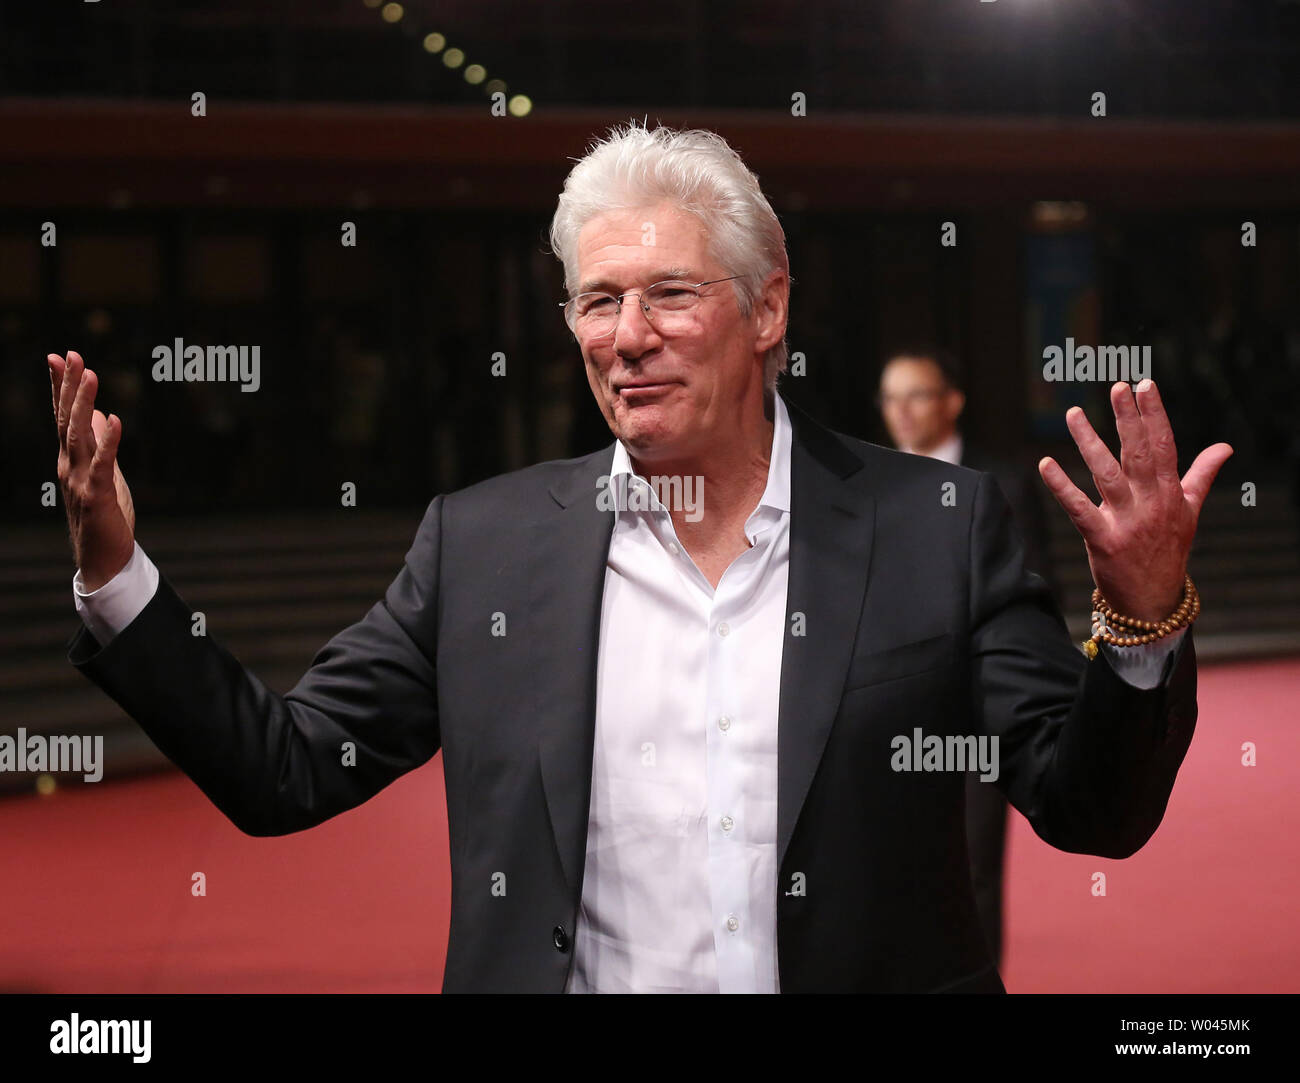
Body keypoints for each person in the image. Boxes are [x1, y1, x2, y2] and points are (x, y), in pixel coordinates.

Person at [50, 121, 1230, 994]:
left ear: (768, 310)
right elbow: (286, 772)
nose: (626, 338)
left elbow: (1091, 815)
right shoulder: (483, 548)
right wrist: (118, 575)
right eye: (596, 301)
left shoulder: (936, 526)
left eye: (669, 294)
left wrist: (1139, 620)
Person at [876, 347, 1057, 969]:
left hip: (974, 709)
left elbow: (1034, 588)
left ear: (952, 402)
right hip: (882, 708)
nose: (901, 411)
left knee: (975, 865)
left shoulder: (1001, 483)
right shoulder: (864, 487)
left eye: (916, 395)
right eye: (891, 398)